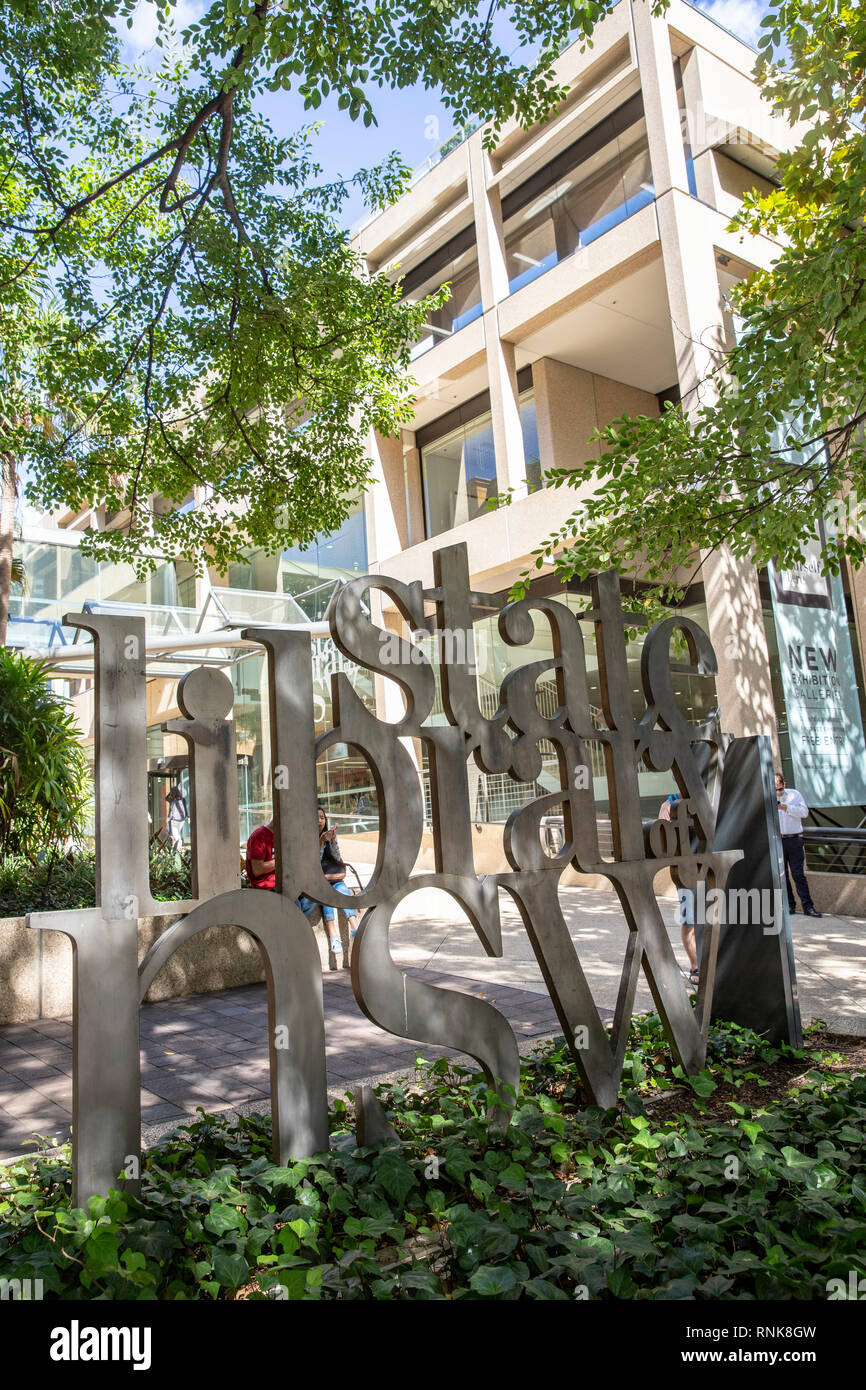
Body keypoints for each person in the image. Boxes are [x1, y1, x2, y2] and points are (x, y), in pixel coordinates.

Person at [245, 808, 360, 956]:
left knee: (320, 891)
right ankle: (297, 952)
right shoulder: (259, 836)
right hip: (269, 888)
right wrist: (285, 859)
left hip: (290, 883)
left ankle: (330, 936)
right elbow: (257, 869)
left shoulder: (288, 836)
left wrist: (328, 843)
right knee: (294, 906)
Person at [659, 793, 699, 988]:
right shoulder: (669, 805)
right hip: (684, 869)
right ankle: (695, 966)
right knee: (689, 918)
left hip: (706, 867)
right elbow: (661, 839)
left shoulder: (704, 800)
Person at [776, 772, 822, 918]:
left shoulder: (794, 795)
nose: (777, 792)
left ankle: (808, 906)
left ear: (784, 784)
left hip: (794, 839)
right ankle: (790, 905)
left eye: (779, 789)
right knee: (782, 875)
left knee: (798, 874)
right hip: (778, 840)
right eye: (775, 789)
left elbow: (804, 812)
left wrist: (786, 808)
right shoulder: (768, 799)